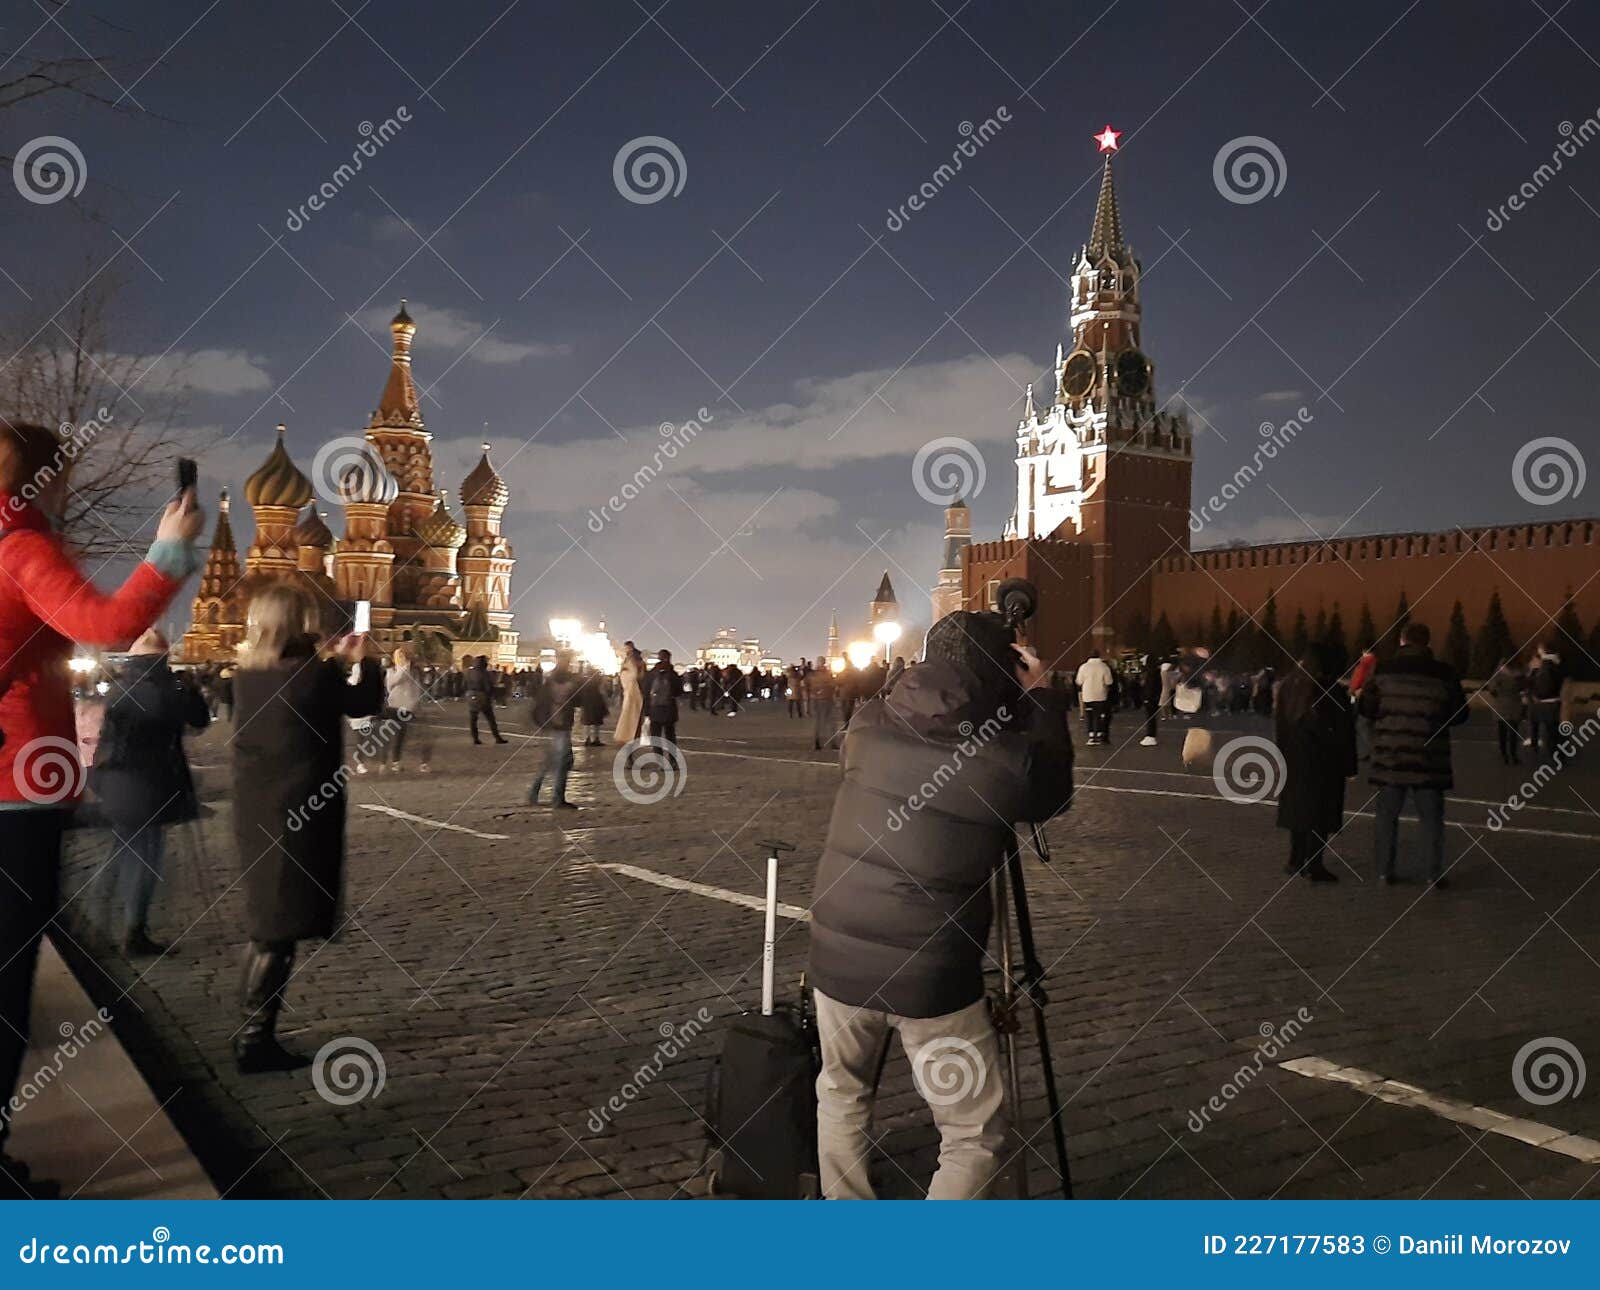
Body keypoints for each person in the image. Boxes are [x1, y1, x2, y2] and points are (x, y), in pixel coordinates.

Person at [0, 421, 204, 1196]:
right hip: (16, 787)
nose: (66, 492)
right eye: (63, 476)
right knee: (8, 978)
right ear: (39, 478)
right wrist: (172, 550)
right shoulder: (19, 544)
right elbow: (108, 625)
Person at [808, 610, 1074, 1200]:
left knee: (842, 1091)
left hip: (835, 949)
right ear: (996, 670)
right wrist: (1043, 697)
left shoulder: (867, 721)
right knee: (973, 1130)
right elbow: (1052, 791)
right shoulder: (1002, 758)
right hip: (930, 974)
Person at [231, 582, 382, 1073]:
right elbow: (363, 704)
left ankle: (252, 1030)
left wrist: (332, 662)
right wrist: (366, 658)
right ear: (298, 621)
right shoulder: (310, 675)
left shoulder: (248, 675)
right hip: (299, 816)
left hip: (259, 812)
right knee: (279, 929)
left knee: (267, 927)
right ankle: (256, 1041)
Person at [90, 629, 211, 954]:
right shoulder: (165, 691)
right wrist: (191, 689)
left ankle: (99, 925)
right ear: (161, 660)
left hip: (115, 783)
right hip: (150, 785)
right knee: (145, 857)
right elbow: (200, 720)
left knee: (125, 851)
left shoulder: (118, 689)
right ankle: (134, 931)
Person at [1359, 622, 1468, 888]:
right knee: (1431, 820)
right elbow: (1460, 714)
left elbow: (1366, 708)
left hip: (1391, 756)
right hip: (1430, 758)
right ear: (1427, 643)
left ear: (1402, 641)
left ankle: (1385, 870)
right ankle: (1432, 873)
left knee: (1386, 817)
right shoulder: (1444, 673)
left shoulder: (1383, 671)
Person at [1273, 646, 1356, 884]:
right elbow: (1344, 732)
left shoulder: (1289, 688)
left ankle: (1295, 859)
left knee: (1298, 811)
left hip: (1294, 759)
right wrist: (1349, 766)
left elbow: (1280, 726)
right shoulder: (1332, 691)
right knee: (1319, 815)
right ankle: (1314, 864)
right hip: (1323, 762)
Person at [529, 652, 581, 809]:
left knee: (550, 760)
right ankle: (558, 798)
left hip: (551, 724)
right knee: (562, 762)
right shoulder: (565, 681)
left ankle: (533, 793)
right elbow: (573, 699)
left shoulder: (550, 679)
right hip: (559, 724)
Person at [383, 646, 433, 772]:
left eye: (403, 655)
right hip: (396, 707)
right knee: (399, 736)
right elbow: (391, 684)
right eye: (398, 655)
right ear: (394, 658)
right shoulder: (392, 670)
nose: (401, 658)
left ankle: (424, 763)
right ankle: (396, 762)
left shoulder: (414, 670)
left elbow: (422, 684)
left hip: (413, 706)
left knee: (423, 735)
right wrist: (404, 669)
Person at [1483, 658, 1525, 766]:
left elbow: (1492, 689)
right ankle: (1513, 755)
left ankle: (1504, 754)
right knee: (1513, 731)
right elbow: (1523, 687)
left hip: (1501, 705)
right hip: (1515, 704)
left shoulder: (1498, 675)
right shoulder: (1519, 675)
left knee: (1502, 731)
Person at [1527, 643, 1565, 760]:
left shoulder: (1546, 667)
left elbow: (1543, 687)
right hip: (1552, 703)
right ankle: (1557, 753)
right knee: (1552, 730)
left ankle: (1555, 753)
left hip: (1545, 703)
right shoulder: (1556, 665)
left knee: (1550, 730)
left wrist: (1535, 693)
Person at [465, 654, 509, 745]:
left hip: (471, 695)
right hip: (482, 695)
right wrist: (492, 695)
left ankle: (475, 738)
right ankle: (497, 737)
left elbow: (464, 683)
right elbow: (487, 686)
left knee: (473, 719)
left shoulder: (469, 671)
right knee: (490, 718)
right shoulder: (484, 672)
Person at [1075, 649, 1114, 745]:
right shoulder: (1104, 667)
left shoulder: (1083, 667)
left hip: (1087, 695)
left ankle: (1091, 735)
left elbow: (1079, 681)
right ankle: (1099, 734)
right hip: (1101, 695)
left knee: (1089, 715)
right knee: (1099, 715)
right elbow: (1109, 682)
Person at [644, 649, 680, 747]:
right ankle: (672, 759)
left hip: (654, 709)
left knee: (656, 736)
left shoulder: (651, 674)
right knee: (670, 735)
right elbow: (679, 692)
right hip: (669, 709)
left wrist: (646, 710)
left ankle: (659, 758)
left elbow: (646, 692)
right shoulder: (673, 674)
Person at [613, 642, 645, 744]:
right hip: (628, 688)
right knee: (628, 711)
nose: (625, 650)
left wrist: (626, 673)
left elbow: (636, 673)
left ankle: (631, 734)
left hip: (633, 688)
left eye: (626, 648)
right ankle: (628, 733)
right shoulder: (629, 658)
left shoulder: (634, 658)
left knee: (632, 711)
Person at [810, 663, 840, 751]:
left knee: (818, 722)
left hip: (817, 700)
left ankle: (816, 742)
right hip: (827, 699)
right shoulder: (827, 675)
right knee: (831, 722)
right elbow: (833, 685)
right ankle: (833, 742)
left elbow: (811, 688)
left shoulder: (814, 676)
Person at [575, 671, 610, 746]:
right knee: (596, 723)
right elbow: (602, 692)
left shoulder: (585, 682)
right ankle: (595, 739)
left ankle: (587, 739)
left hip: (587, 703)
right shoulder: (597, 682)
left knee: (587, 722)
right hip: (596, 703)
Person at [1139, 653, 1162, 746]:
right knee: (1151, 717)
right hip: (1153, 697)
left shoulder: (1151, 673)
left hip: (1150, 697)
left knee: (1150, 717)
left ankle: (1150, 736)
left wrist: (1147, 697)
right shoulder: (1156, 671)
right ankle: (1151, 735)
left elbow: (1150, 686)